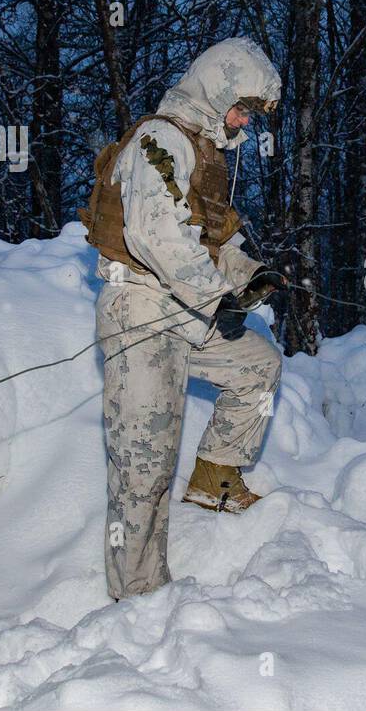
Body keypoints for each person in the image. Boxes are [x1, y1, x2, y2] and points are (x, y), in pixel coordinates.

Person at [79, 36, 287, 599]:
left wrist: (252, 276)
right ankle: (139, 598)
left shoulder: (209, 156)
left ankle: (215, 474)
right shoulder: (158, 140)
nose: (244, 120)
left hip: (186, 312)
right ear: (215, 89)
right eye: (241, 106)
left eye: (251, 112)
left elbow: (219, 237)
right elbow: (156, 235)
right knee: (143, 465)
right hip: (140, 311)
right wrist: (215, 296)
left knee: (258, 365)